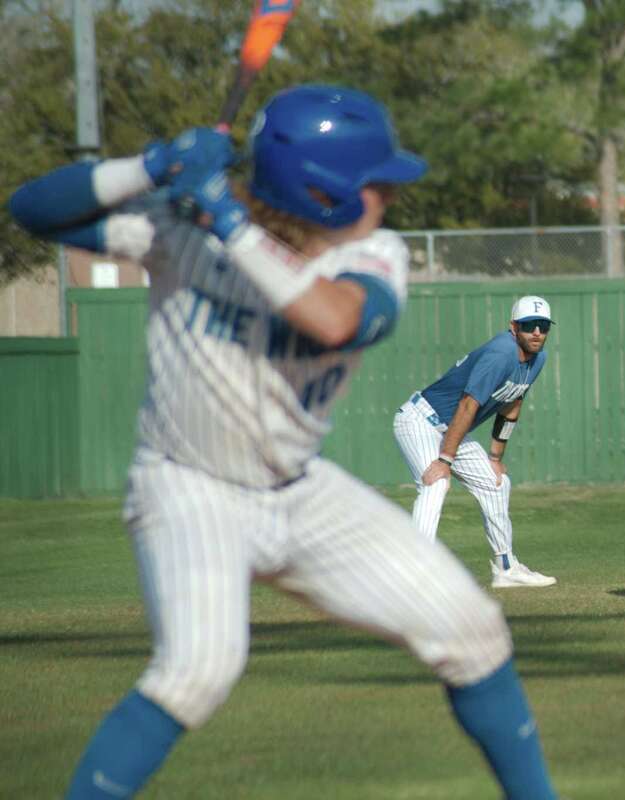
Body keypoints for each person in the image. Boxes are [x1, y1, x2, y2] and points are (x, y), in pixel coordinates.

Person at [9, 84, 556, 800]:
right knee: (196, 670)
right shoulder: (184, 230)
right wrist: (146, 167)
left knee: (475, 632)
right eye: (375, 184)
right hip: (187, 486)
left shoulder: (372, 253)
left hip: (297, 489)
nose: (389, 197)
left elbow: (335, 320)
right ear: (324, 194)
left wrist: (231, 222)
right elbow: (33, 210)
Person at [393, 297, 557, 588]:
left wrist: (495, 457)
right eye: (529, 325)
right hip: (420, 420)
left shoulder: (537, 359)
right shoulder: (501, 353)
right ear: (513, 327)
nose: (536, 332)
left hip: (451, 428)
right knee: (436, 484)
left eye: (543, 326)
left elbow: (513, 402)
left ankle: (506, 568)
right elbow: (468, 404)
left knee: (495, 483)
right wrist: (445, 460)